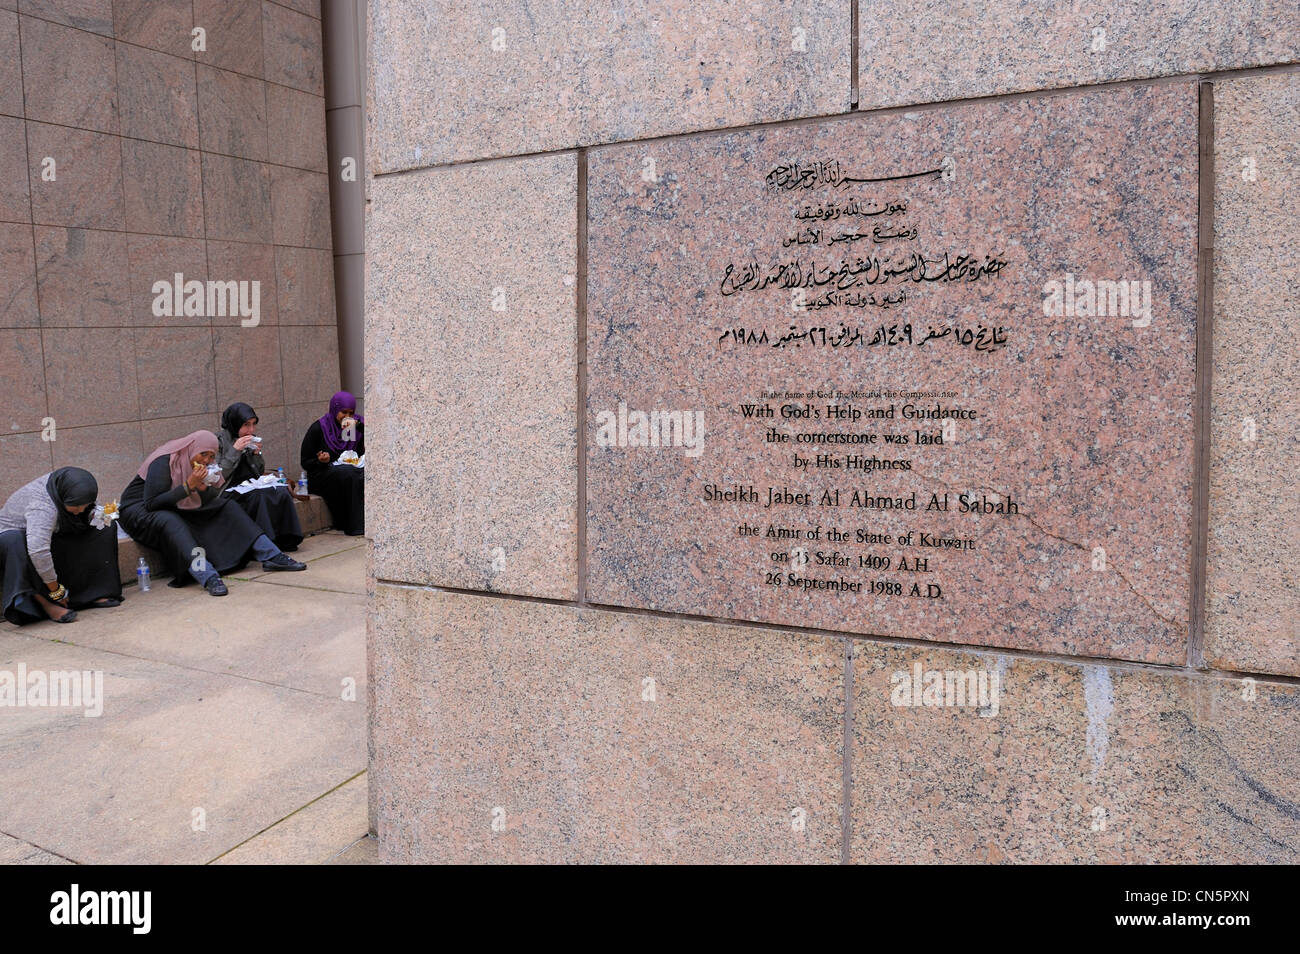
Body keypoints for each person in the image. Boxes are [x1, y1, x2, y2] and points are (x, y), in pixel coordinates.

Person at [118, 431, 306, 597]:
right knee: (172, 522)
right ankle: (207, 576)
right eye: (203, 454)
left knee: (227, 506)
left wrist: (201, 488)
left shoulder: (198, 466)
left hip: (173, 504)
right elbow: (152, 503)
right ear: (192, 449)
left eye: (211, 456)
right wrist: (188, 486)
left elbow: (202, 500)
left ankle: (272, 555)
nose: (206, 461)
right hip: (138, 510)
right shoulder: (164, 460)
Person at [0, 467, 121, 625]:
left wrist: (98, 514)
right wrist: (56, 590)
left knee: (105, 527)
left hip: (50, 535)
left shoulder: (68, 488)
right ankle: (46, 604)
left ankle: (94, 593)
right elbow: (38, 550)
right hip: (16, 542)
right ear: (63, 498)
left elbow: (86, 509)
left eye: (84, 505)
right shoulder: (43, 506)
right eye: (76, 507)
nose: (80, 510)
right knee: (17, 542)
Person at [216, 402, 303, 552]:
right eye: (246, 425)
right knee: (260, 496)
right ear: (234, 423)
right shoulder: (219, 441)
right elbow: (218, 476)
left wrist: (256, 455)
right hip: (228, 491)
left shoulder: (250, 439)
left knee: (280, 491)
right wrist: (235, 450)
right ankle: (267, 544)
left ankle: (287, 538)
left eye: (253, 424)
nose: (251, 430)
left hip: (250, 485)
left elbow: (258, 471)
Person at [300, 391, 364, 536]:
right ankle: (354, 525)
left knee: (358, 472)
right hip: (322, 474)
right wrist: (321, 460)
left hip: (347, 470)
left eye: (351, 413)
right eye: (343, 412)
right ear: (335, 409)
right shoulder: (319, 428)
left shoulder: (355, 425)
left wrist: (357, 425)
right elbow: (305, 461)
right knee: (350, 473)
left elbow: (373, 434)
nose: (347, 417)